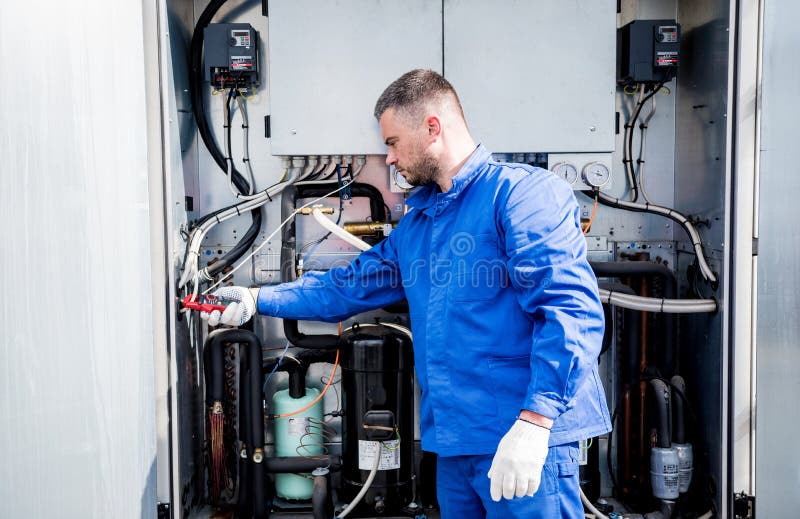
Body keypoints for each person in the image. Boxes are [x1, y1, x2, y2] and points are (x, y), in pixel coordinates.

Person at [202, 69, 611, 518]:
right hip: (456, 445)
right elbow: (347, 285)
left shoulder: (520, 195)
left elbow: (570, 312)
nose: (390, 159)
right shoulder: (419, 226)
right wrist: (257, 299)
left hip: (524, 440)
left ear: (432, 127)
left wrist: (536, 422)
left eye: (393, 142)